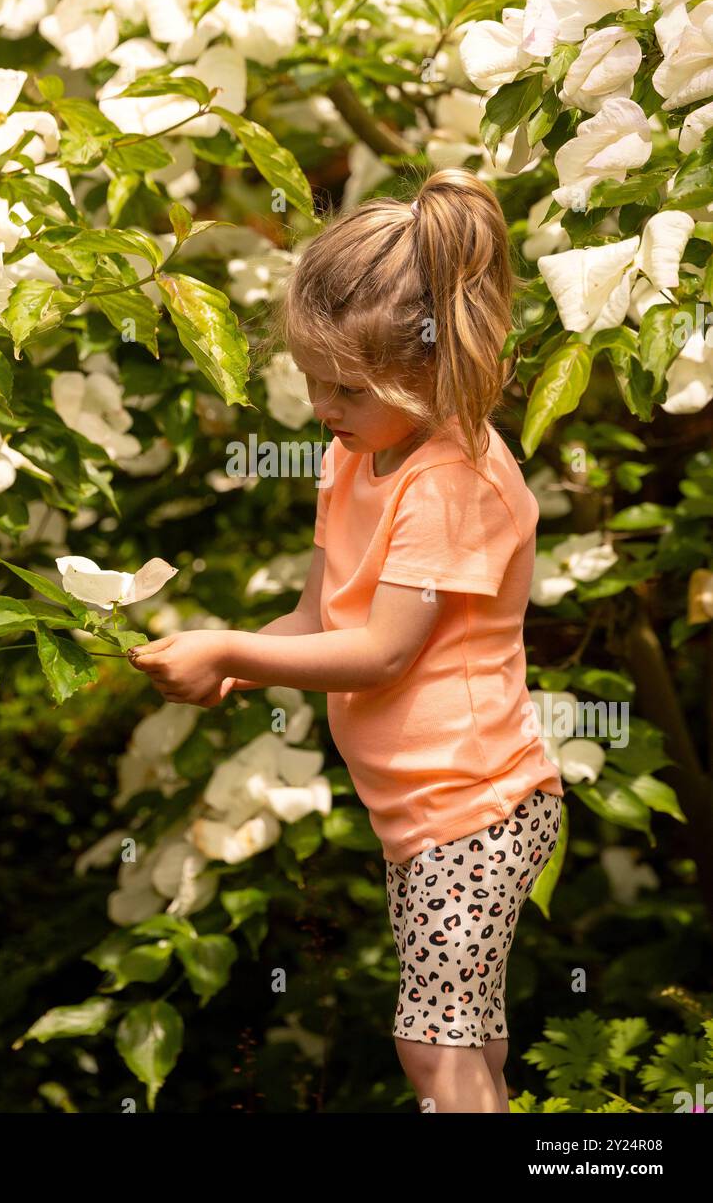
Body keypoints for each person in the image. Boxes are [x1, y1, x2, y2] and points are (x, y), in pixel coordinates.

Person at [127, 167, 565, 1113]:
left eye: (344, 389)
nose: (322, 407)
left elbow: (380, 653)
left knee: (432, 1047)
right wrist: (226, 663)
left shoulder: (453, 483)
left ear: (428, 368)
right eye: (312, 382)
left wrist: (231, 652)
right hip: (422, 810)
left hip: (478, 803)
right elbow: (319, 622)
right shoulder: (355, 455)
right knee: (466, 1037)